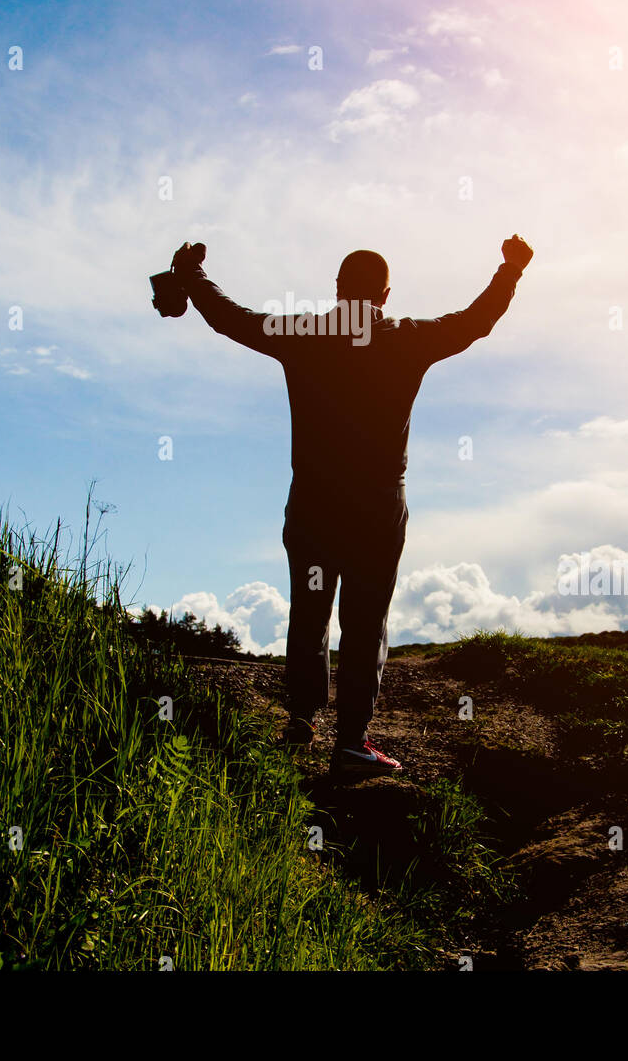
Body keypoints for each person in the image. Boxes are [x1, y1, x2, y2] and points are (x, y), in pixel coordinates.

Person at [168, 235, 533, 774]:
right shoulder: (408, 339)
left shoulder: (304, 335)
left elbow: (233, 319)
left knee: (311, 610)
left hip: (314, 504)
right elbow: (474, 321)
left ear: (337, 291)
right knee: (365, 621)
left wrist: (191, 274)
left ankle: (300, 719)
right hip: (377, 509)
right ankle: (352, 742)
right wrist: (510, 270)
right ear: (386, 294)